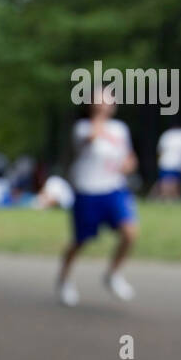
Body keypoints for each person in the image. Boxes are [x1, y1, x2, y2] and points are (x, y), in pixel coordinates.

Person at [56, 87, 139, 306]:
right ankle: (64, 280)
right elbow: (92, 138)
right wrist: (99, 116)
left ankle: (112, 274)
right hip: (87, 190)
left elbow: (129, 157)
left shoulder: (121, 129)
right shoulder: (82, 128)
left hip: (114, 189)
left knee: (130, 233)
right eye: (100, 100)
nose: (106, 104)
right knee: (80, 241)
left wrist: (129, 165)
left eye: (109, 100)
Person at [155, 124, 181, 200]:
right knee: (174, 181)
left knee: (167, 181)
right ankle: (171, 197)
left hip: (166, 161)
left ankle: (170, 197)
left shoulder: (167, 134)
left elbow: (160, 150)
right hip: (178, 162)